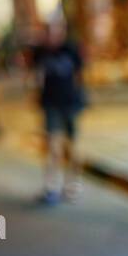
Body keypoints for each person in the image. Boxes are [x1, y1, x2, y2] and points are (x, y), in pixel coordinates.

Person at [31, 20, 87, 204]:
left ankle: (72, 184)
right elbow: (36, 75)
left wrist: (80, 98)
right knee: (52, 145)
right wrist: (34, 93)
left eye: (54, 31)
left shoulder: (70, 49)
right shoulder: (41, 52)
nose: (50, 36)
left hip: (69, 103)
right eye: (47, 32)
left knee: (71, 145)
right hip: (50, 103)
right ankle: (51, 186)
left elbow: (80, 75)